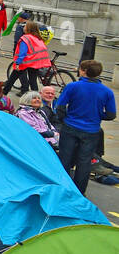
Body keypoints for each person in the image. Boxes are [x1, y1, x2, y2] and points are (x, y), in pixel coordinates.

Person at [54, 60, 116, 196]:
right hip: (91, 130)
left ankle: (61, 188)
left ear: (84, 71)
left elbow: (60, 107)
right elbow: (111, 115)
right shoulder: (107, 92)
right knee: (84, 162)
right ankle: (80, 192)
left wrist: (64, 119)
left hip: (70, 126)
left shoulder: (72, 87)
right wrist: (98, 116)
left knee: (65, 158)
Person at [8, 21, 50, 94]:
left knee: (11, 80)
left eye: (25, 26)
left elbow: (23, 53)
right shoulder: (38, 38)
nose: (23, 28)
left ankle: (1, 96)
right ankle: (36, 97)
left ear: (28, 29)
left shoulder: (25, 38)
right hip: (34, 63)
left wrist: (18, 63)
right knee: (33, 81)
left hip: (24, 63)